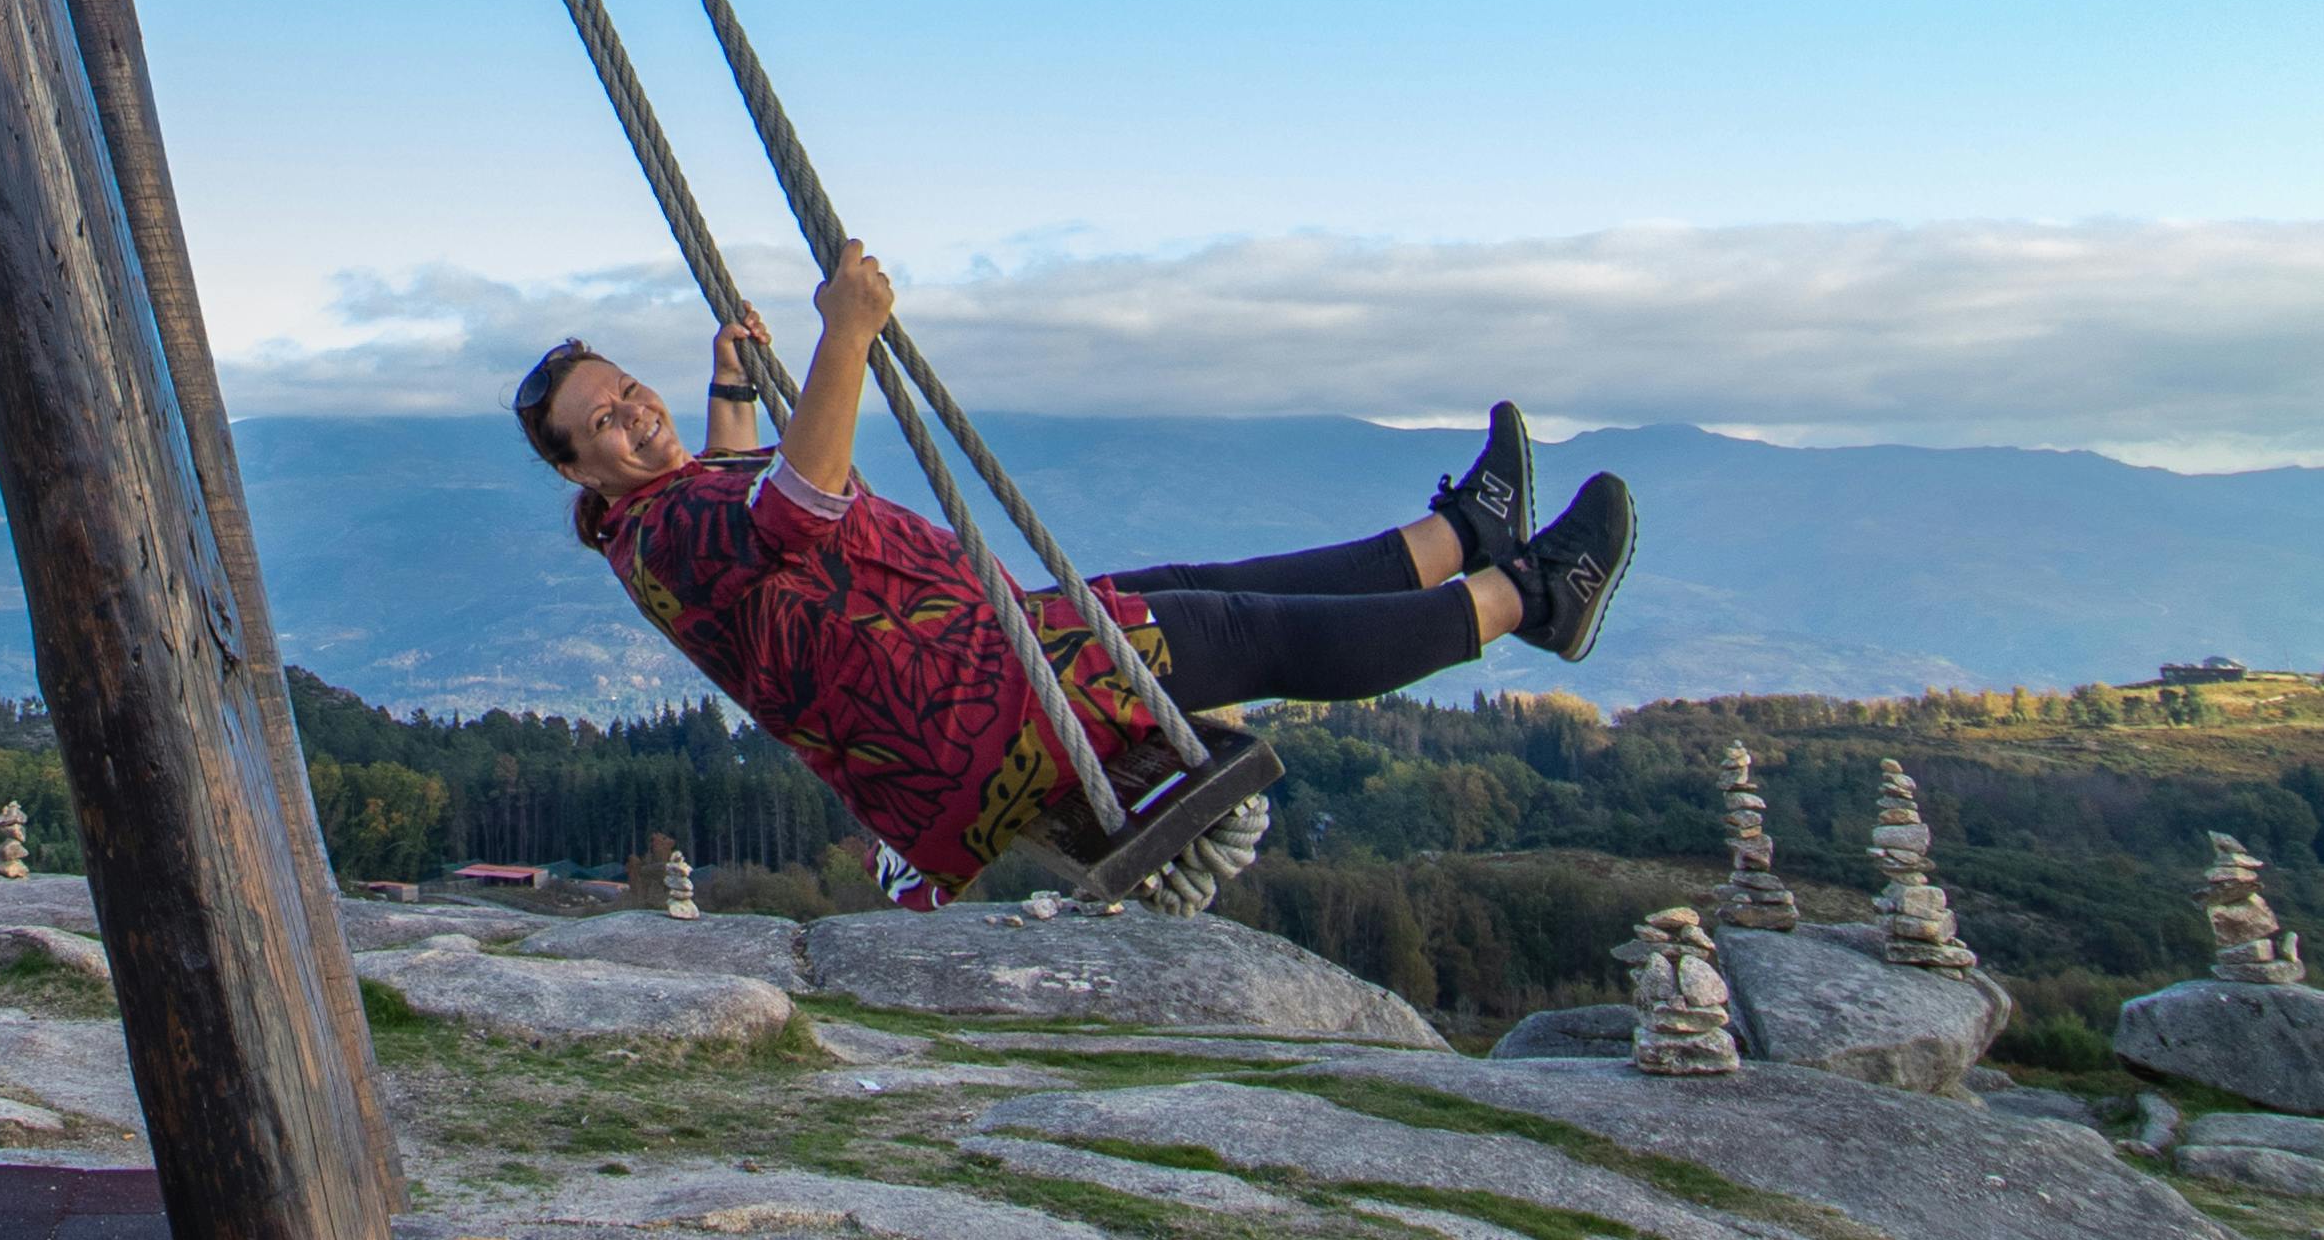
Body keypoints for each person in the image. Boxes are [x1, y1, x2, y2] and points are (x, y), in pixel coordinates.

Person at [515, 241, 1635, 908]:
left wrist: (729, 383)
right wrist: (845, 333)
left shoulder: (652, 517)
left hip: (961, 674)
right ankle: (1533, 597)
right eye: (601, 422)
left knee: (1193, 582)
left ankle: (1457, 537)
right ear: (575, 468)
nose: (632, 414)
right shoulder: (664, 535)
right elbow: (794, 509)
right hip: (970, 717)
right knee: (1241, 633)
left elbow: (736, 492)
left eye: (626, 390)